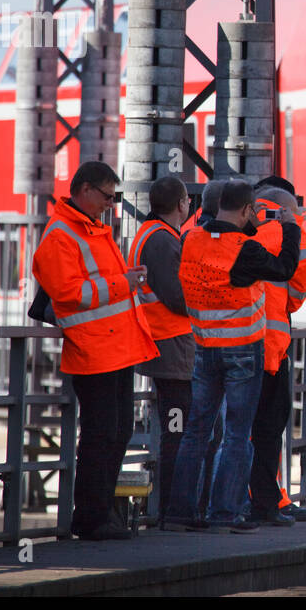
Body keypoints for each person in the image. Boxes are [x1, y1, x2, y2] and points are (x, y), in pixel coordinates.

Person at [163, 178, 301, 533]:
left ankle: (179, 513)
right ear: (246, 211)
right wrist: (290, 225)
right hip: (242, 350)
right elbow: (285, 268)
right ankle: (225, 513)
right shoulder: (245, 248)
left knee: (196, 431)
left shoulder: (190, 239)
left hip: (203, 348)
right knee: (237, 434)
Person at [32, 160, 158, 541]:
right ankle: (90, 518)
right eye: (107, 196)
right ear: (84, 190)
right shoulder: (62, 236)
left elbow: (96, 290)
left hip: (115, 348)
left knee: (117, 432)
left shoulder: (90, 231)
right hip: (94, 351)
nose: (111, 204)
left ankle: (101, 514)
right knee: (101, 434)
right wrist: (124, 282)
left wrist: (126, 281)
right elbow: (72, 294)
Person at [246, 176, 306, 525]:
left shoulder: (233, 232)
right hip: (272, 349)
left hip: (226, 344)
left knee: (233, 430)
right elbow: (300, 284)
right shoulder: (290, 233)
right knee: (269, 428)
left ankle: (237, 501)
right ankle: (265, 501)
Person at [127, 175, 195, 528]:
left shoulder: (151, 235)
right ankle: (173, 510)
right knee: (177, 432)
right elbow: (179, 297)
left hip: (166, 348)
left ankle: (172, 508)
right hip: (172, 351)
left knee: (176, 431)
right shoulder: (164, 242)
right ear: (182, 204)